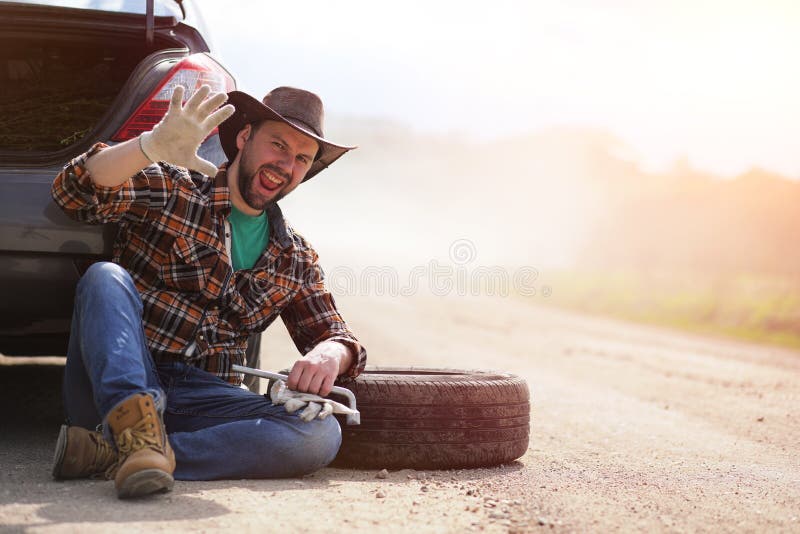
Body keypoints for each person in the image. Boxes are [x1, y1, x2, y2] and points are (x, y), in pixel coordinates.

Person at [49, 85, 367, 499]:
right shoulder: (176, 188)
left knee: (318, 434)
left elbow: (336, 335)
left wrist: (330, 353)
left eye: (302, 158)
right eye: (278, 144)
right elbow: (73, 194)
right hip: (118, 382)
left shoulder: (294, 257)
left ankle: (120, 454)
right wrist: (147, 147)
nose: (285, 164)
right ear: (243, 138)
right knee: (104, 277)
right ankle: (130, 435)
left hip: (202, 401)